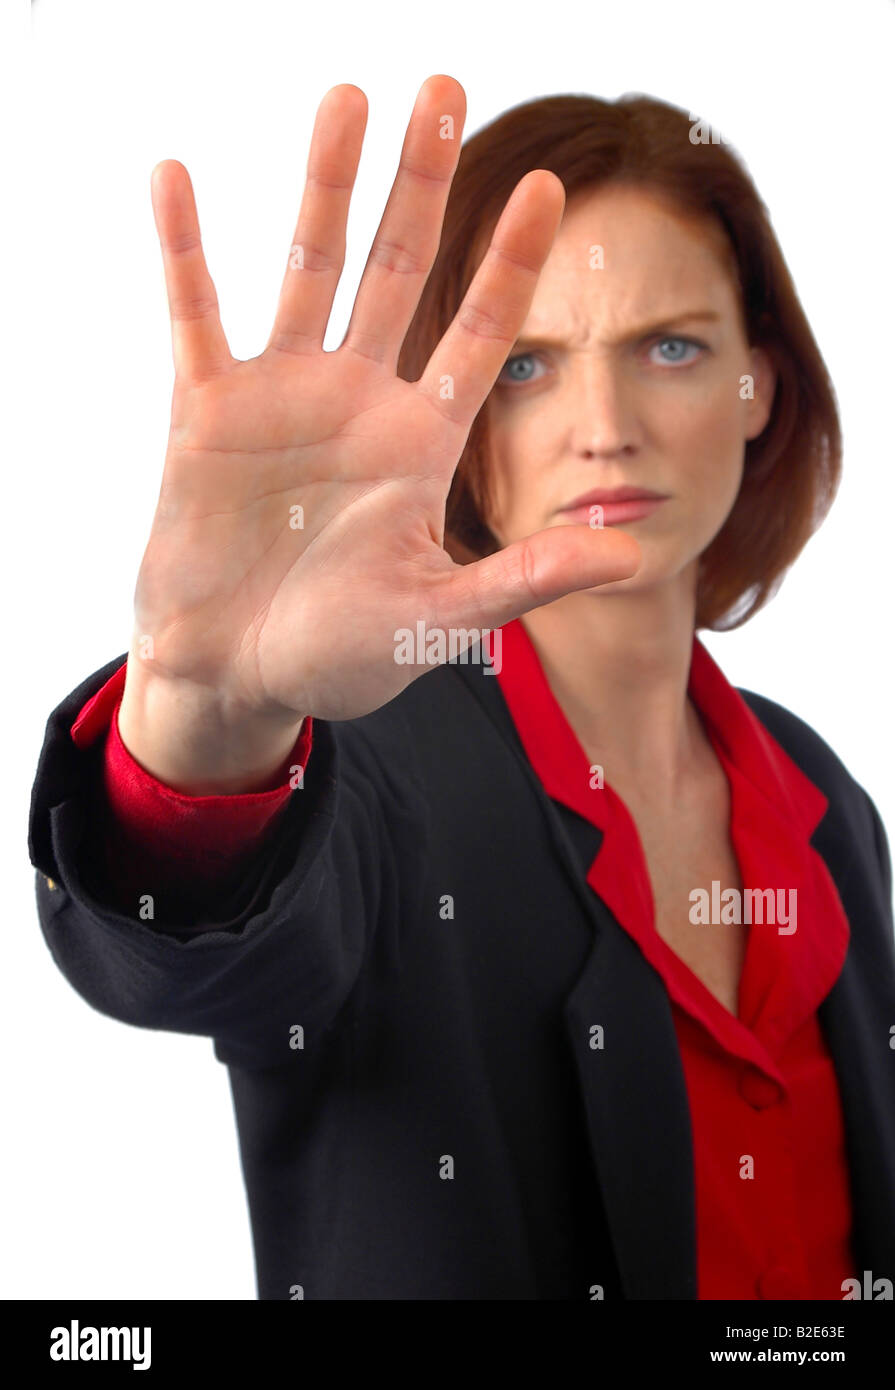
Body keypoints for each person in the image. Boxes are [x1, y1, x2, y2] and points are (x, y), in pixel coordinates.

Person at [29, 74, 895, 1301]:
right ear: (455, 417)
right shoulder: (364, 767)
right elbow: (184, 948)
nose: (605, 423)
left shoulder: (824, 798)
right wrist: (211, 713)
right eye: (530, 366)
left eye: (670, 346)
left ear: (761, 387)